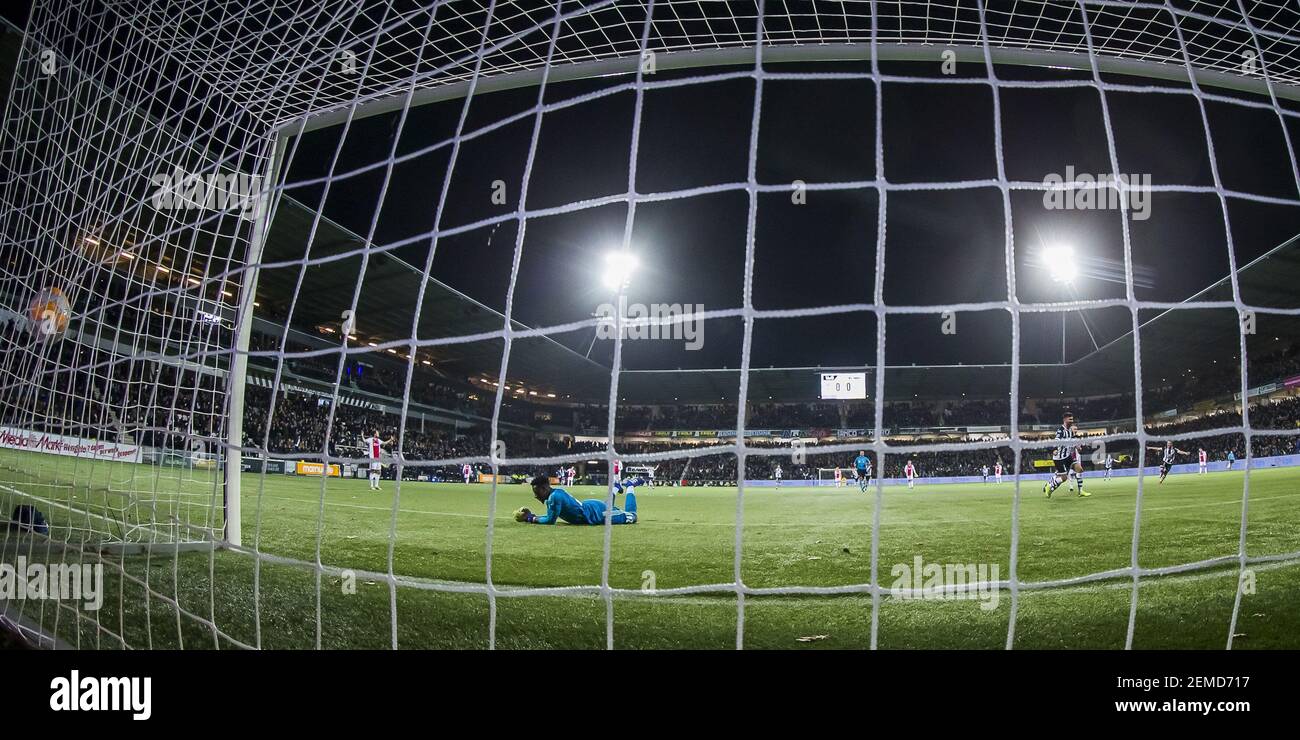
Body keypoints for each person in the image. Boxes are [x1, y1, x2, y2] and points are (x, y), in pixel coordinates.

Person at [516, 475, 637, 525]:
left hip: (597, 514)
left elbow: (550, 520)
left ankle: (630, 485)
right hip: (592, 508)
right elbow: (551, 515)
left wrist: (530, 518)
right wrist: (532, 517)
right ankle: (615, 488)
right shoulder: (554, 495)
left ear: (544, 488)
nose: (536, 495)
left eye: (537, 492)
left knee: (632, 516)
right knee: (608, 505)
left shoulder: (554, 498)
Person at [1044, 412, 1089, 499]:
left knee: (1079, 469)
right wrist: (1054, 449)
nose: (1071, 421)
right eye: (1070, 419)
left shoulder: (1069, 431)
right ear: (1065, 420)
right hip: (1059, 458)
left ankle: (1081, 491)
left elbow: (1071, 441)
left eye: (1072, 419)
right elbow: (1055, 441)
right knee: (1064, 478)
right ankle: (1049, 485)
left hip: (1068, 457)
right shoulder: (1061, 431)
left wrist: (1077, 447)